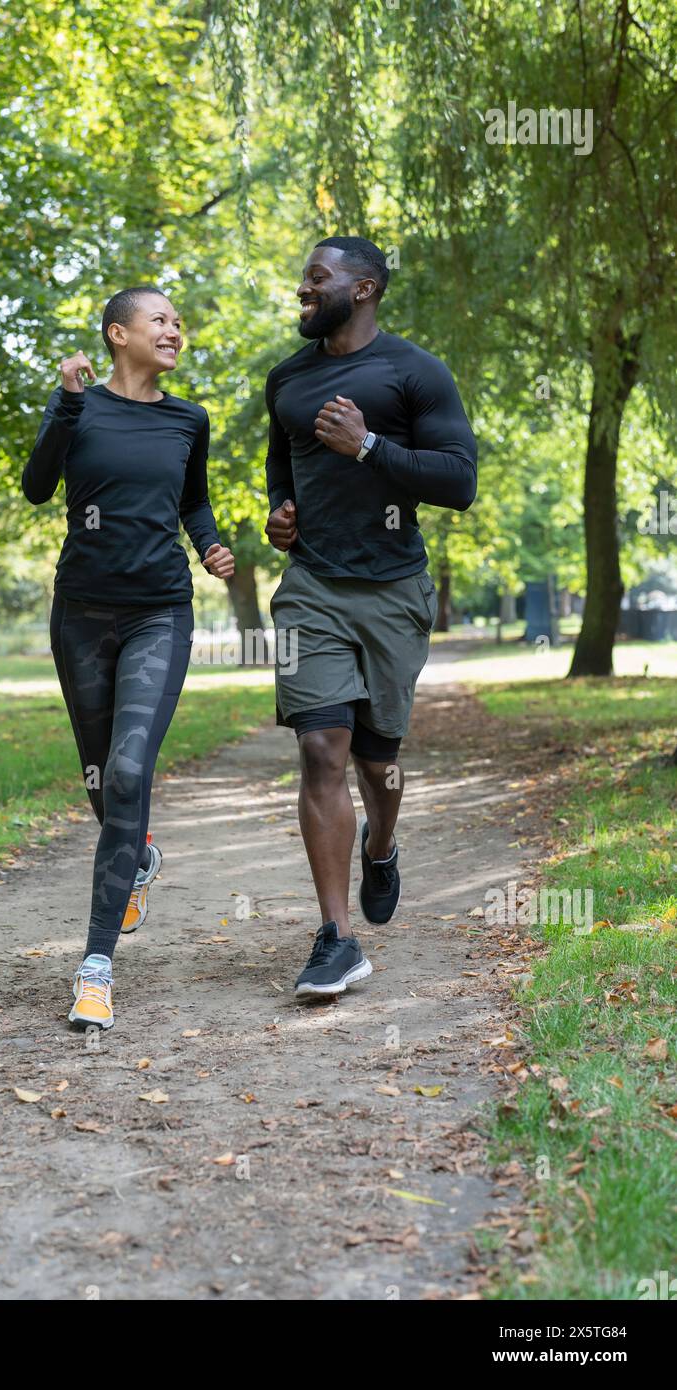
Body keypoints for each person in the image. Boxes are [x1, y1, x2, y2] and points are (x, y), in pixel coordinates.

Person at [264, 236, 477, 1000]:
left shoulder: (415, 372)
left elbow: (458, 482)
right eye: (303, 276)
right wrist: (277, 518)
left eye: (317, 277)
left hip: (393, 590)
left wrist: (370, 447)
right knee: (322, 747)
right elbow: (280, 475)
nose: (303, 287)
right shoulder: (285, 381)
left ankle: (379, 846)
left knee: (376, 764)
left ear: (364, 289)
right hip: (311, 588)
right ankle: (335, 939)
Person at [22, 286, 234, 1031]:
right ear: (118, 334)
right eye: (160, 320)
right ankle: (138, 855)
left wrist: (209, 543)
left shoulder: (188, 419)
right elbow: (36, 485)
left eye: (178, 321)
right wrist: (64, 401)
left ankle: (95, 967)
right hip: (80, 614)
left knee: (129, 771)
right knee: (101, 780)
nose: (174, 329)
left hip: (159, 612)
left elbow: (192, 502)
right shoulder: (80, 408)